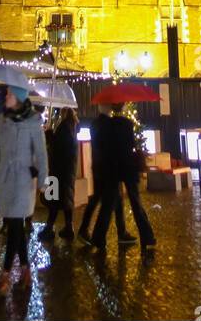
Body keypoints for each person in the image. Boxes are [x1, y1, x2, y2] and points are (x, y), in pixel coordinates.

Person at [0, 85, 48, 295]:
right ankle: (26, 271)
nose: (5, 96)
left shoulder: (33, 121)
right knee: (15, 224)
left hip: (22, 180)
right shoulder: (2, 119)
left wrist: (45, 181)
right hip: (4, 179)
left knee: (15, 225)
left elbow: (42, 153)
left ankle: (5, 276)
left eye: (9, 94)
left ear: (18, 97)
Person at [90, 104, 156, 254]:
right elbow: (131, 144)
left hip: (113, 167)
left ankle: (98, 238)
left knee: (107, 204)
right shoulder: (127, 123)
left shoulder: (108, 125)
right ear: (123, 108)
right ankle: (147, 237)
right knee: (136, 203)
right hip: (128, 166)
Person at [77, 108, 135, 247]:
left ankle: (120, 232)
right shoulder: (109, 125)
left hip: (98, 168)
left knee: (107, 200)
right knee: (108, 204)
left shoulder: (95, 124)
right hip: (109, 169)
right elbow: (112, 147)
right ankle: (99, 236)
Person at [40, 108, 79, 241]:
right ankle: (68, 228)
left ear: (65, 113)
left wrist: (49, 135)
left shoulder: (63, 128)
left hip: (58, 171)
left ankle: (49, 228)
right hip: (67, 172)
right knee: (65, 201)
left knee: (53, 201)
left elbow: (57, 149)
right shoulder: (72, 127)